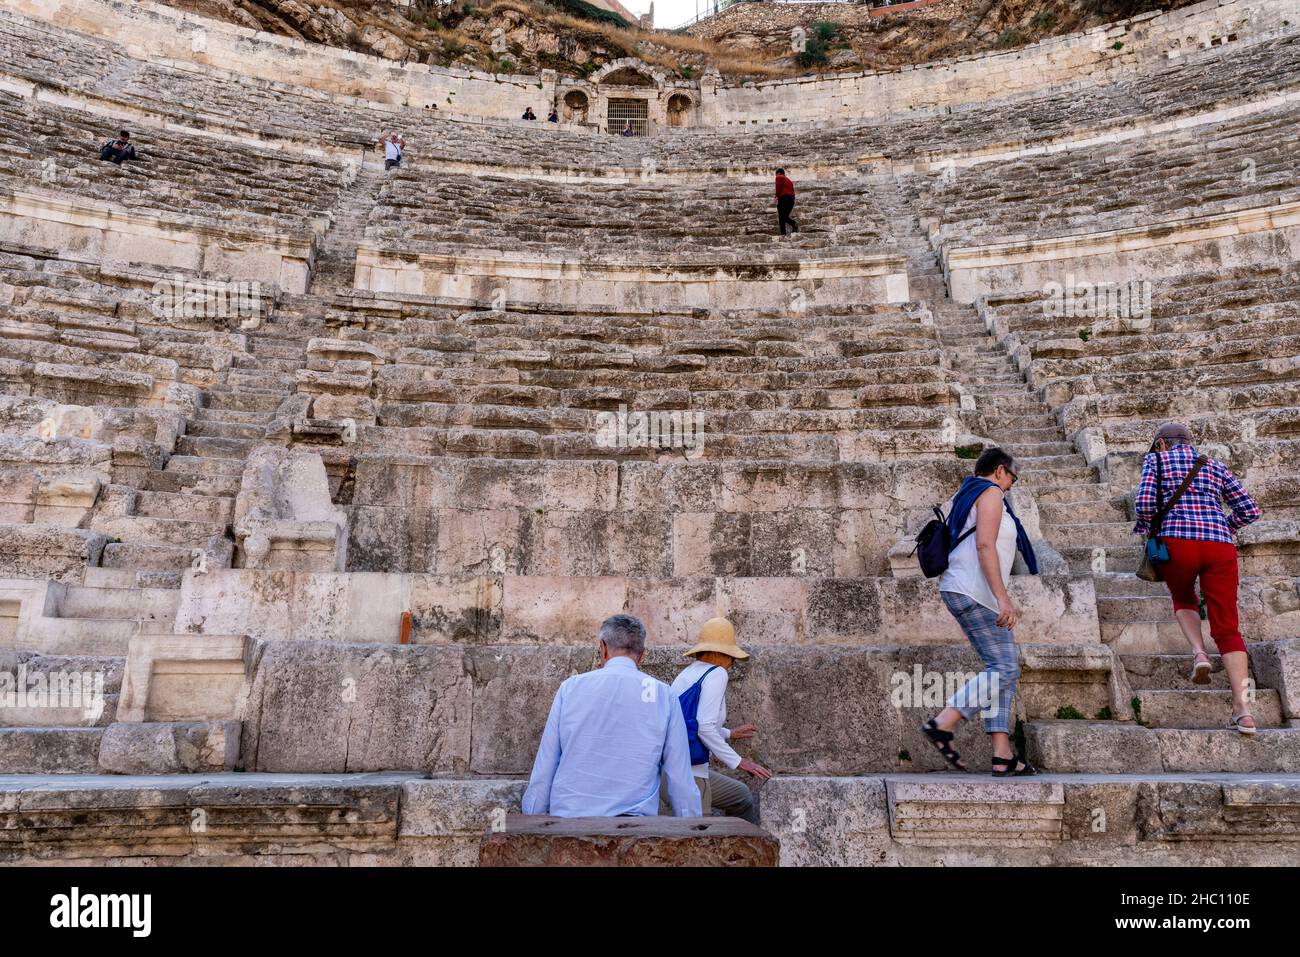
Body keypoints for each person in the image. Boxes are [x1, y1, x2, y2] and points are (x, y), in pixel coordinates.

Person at [1133, 422, 1261, 734]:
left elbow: (1145, 504)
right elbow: (1249, 510)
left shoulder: (1157, 461)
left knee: (1183, 597)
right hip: (1219, 547)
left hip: (1177, 543)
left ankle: (1199, 652)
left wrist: (1148, 525)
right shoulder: (1214, 465)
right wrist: (1222, 526)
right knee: (1228, 628)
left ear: (1162, 443)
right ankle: (1243, 710)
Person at [922, 447, 1040, 776]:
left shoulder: (972, 493)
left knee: (1003, 668)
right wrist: (1003, 598)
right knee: (1003, 666)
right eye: (1013, 477)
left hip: (970, 589)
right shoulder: (989, 492)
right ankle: (944, 722)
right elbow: (984, 544)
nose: (1013, 485)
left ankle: (1002, 754)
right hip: (973, 590)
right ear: (1000, 471)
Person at [522, 614, 702, 817]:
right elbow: (679, 776)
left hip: (569, 817)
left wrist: (532, 815)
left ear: (603, 648)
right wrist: (690, 823)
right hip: (633, 826)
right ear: (642, 655)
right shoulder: (663, 694)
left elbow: (546, 763)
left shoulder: (571, 688)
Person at [664, 617, 771, 824]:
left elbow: (688, 725)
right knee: (699, 839)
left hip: (669, 771)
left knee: (741, 796)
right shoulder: (717, 673)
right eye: (731, 657)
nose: (732, 663)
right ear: (716, 653)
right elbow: (704, 728)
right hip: (691, 775)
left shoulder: (687, 673)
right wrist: (739, 762)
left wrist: (729, 733)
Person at [774, 167, 798, 236]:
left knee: (781, 216)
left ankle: (783, 234)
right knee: (784, 216)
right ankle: (794, 224)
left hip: (783, 198)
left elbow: (778, 187)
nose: (776, 176)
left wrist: (776, 196)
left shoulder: (779, 177)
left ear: (778, 173)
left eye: (776, 175)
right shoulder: (789, 181)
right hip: (791, 199)